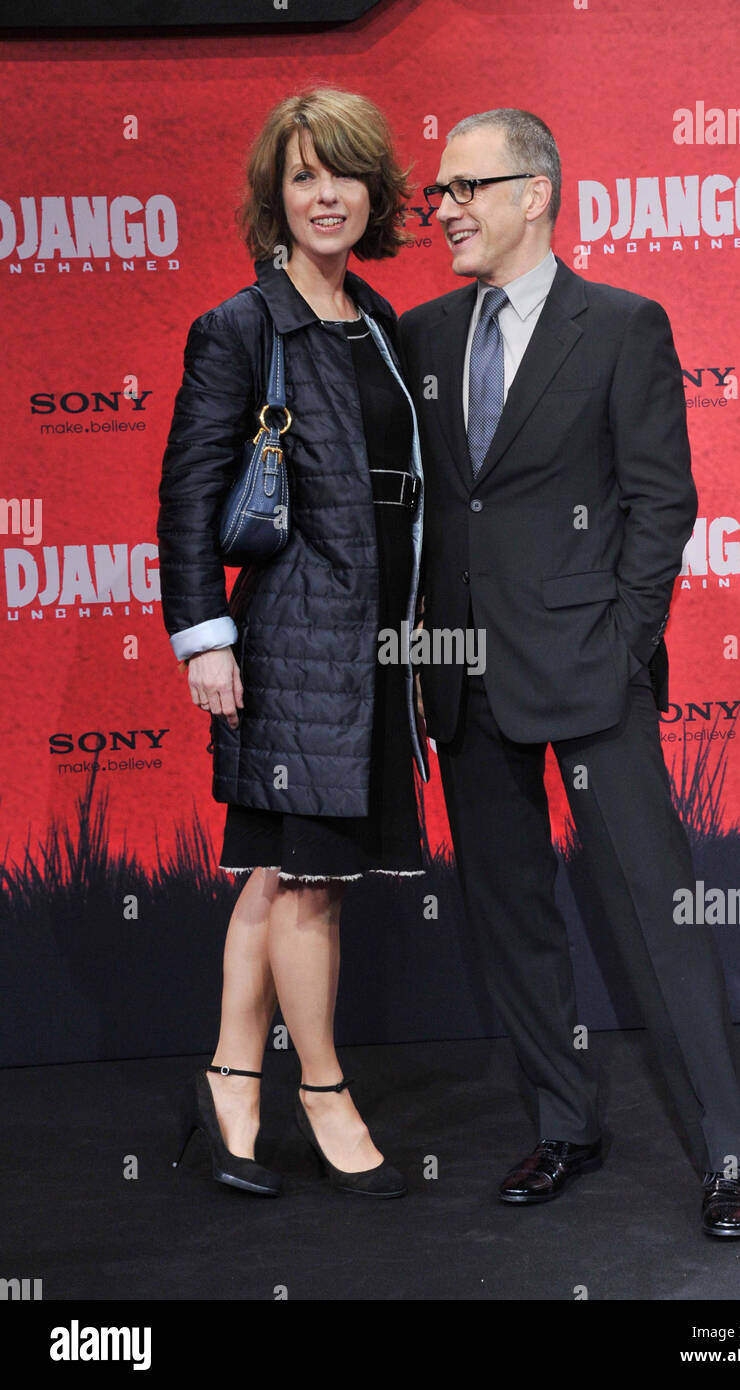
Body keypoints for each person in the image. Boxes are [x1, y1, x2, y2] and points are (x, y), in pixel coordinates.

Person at [397, 108, 740, 1237]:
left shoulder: (619, 326)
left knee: (655, 911)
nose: (447, 208)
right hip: (462, 675)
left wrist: (621, 646)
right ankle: (564, 1126)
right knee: (510, 919)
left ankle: (726, 1153)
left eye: (468, 186)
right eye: (438, 192)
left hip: (589, 668)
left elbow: (662, 500)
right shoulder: (419, 334)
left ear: (535, 193)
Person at [156, 87, 428, 1200]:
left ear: (376, 194)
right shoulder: (239, 326)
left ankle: (228, 1081)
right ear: (276, 195)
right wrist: (201, 637)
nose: (325, 194)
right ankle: (320, 1089)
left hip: (374, 648)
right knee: (308, 880)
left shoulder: (381, 321)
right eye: (304, 175)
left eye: (345, 174)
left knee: (280, 874)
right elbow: (186, 495)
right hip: (287, 643)